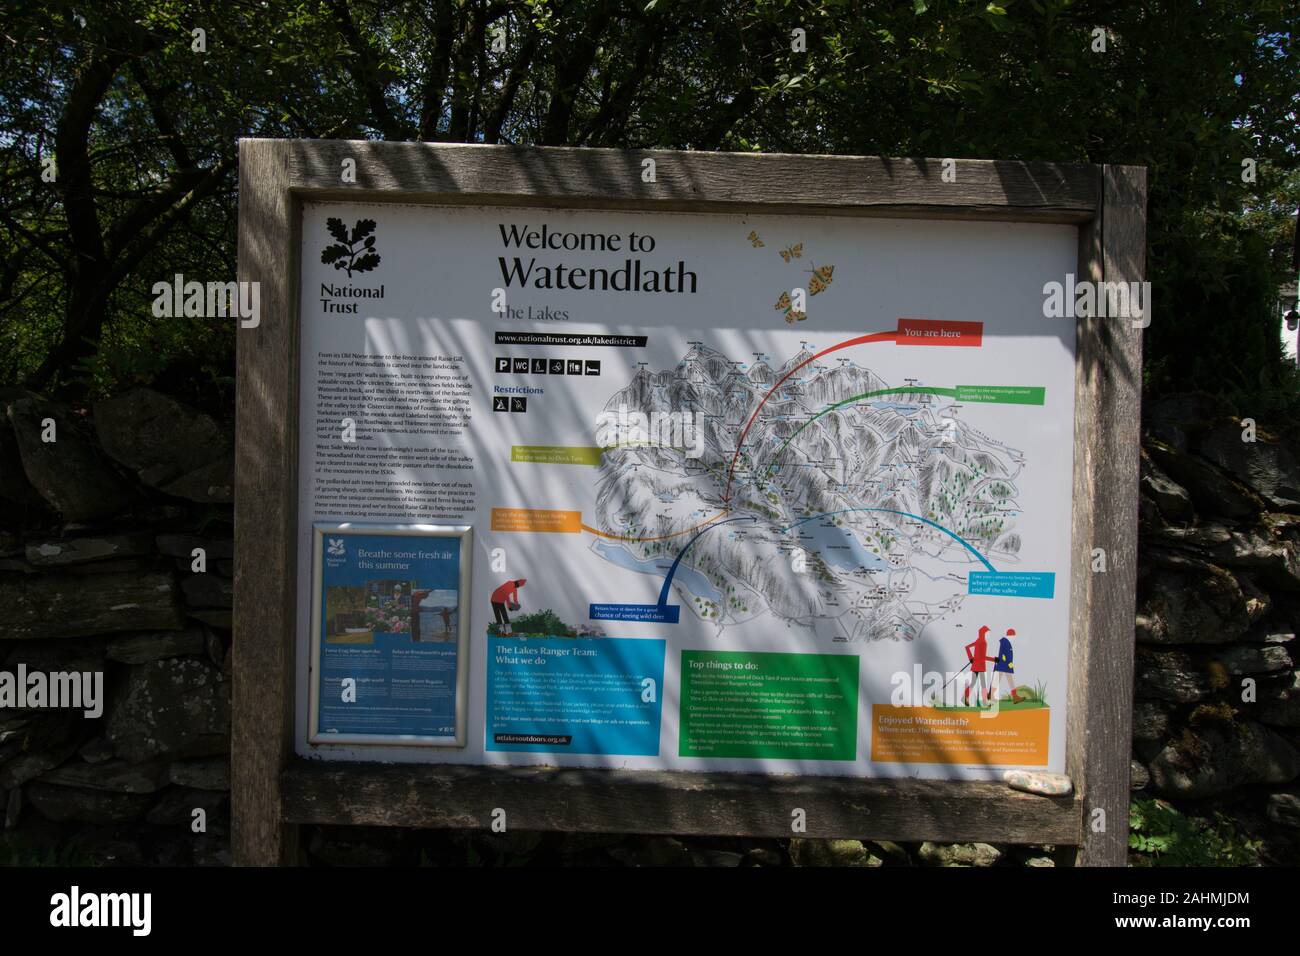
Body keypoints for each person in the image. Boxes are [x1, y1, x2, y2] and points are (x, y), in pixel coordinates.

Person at [963, 625, 996, 706]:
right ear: (984, 633)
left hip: (975, 666)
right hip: (980, 666)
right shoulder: (983, 642)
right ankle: (985, 702)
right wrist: (994, 659)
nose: (989, 635)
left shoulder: (978, 640)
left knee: (973, 683)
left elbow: (967, 647)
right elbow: (983, 657)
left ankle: (966, 698)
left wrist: (971, 658)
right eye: (988, 633)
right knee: (983, 684)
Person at [992, 627, 1023, 704]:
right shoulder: (1006, 642)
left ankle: (1014, 697)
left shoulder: (1006, 642)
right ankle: (991, 696)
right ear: (1011, 636)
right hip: (1004, 665)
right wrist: (1008, 663)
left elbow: (1005, 654)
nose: (1014, 639)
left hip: (1004, 665)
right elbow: (1004, 655)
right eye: (1014, 637)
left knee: (1004, 680)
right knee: (999, 680)